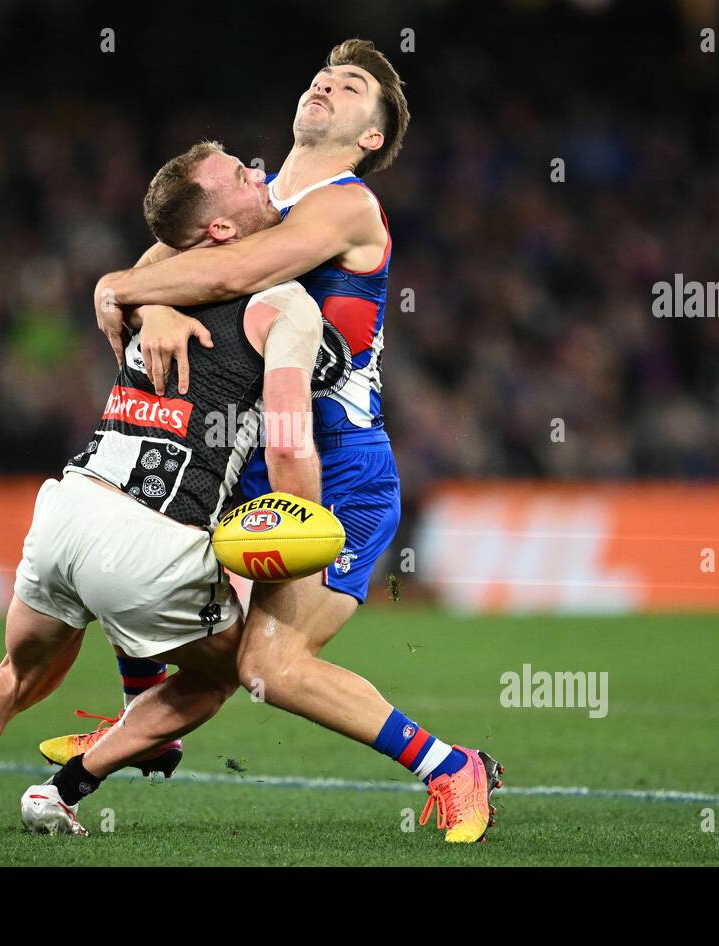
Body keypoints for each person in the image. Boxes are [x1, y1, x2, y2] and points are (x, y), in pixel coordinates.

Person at [45, 39, 501, 844]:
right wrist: (143, 300)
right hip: (241, 466)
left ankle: (449, 767)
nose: (328, 82)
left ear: (370, 136)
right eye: (325, 73)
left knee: (266, 666)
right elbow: (164, 264)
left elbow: (216, 275)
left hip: (336, 473)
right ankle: (133, 734)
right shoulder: (251, 194)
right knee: (195, 634)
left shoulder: (348, 205)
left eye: (353, 85)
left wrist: (121, 288)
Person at [0, 143, 323, 836]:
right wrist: (303, 535)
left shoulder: (147, 288)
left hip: (69, 510)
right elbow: (288, 439)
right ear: (221, 231)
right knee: (224, 674)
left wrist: (134, 297)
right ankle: (63, 789)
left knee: (12, 676)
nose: (259, 172)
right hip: (155, 541)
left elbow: (120, 283)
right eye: (238, 174)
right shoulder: (282, 303)